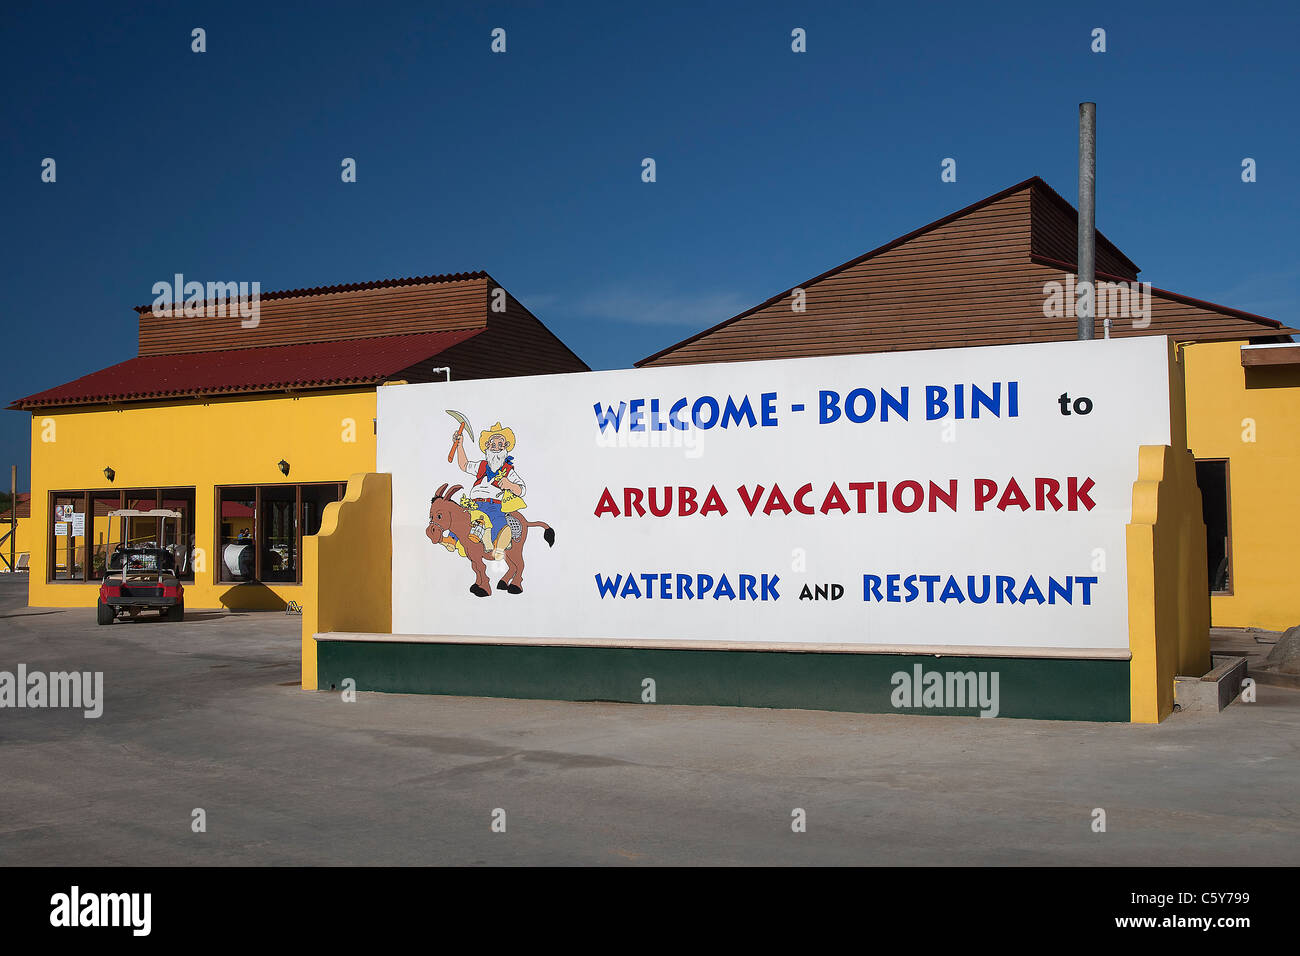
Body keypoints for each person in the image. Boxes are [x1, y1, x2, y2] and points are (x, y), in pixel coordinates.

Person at [451, 421, 526, 561]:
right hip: (475, 503)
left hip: (494, 505)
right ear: (487, 447)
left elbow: (521, 489)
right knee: (460, 518)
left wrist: (509, 484)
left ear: (505, 447)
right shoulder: (481, 466)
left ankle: (498, 546)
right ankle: (452, 540)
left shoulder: (508, 471)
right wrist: (459, 445)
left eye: (500, 444)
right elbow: (464, 465)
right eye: (493, 444)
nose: (496, 448)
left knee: (499, 524)